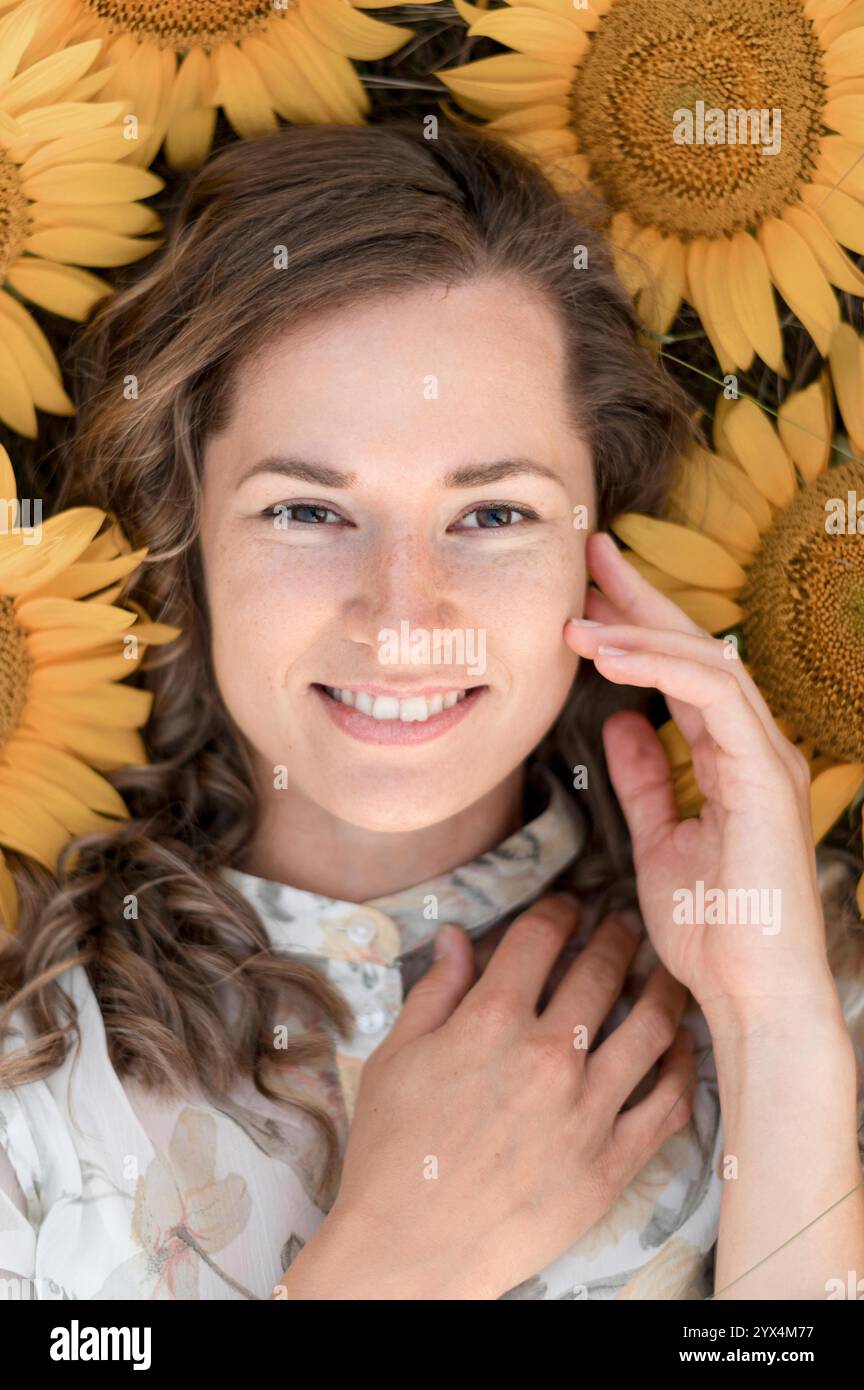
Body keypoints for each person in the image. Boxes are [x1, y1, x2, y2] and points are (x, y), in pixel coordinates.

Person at [0, 120, 862, 1302]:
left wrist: (774, 1027)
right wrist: (392, 1268)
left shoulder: (801, 985)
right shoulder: (31, 1065)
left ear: (600, 544)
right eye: (306, 511)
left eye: (493, 515)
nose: (403, 618)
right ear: (183, 533)